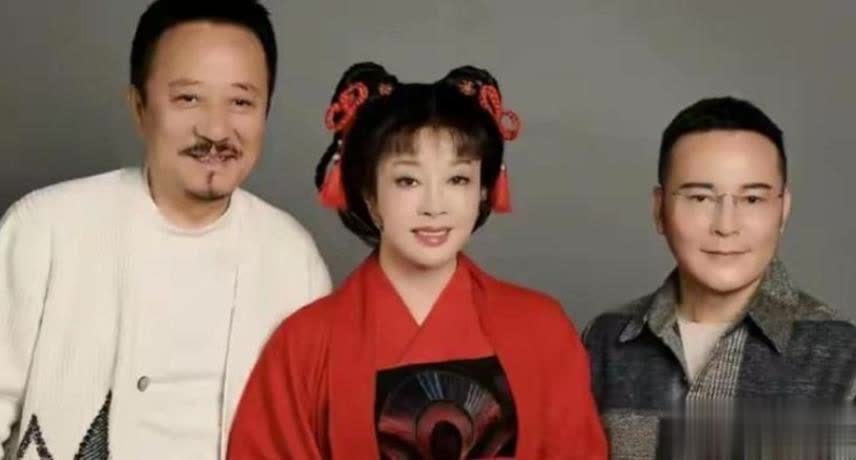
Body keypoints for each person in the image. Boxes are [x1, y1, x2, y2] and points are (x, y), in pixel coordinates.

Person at [0, 1, 330, 458]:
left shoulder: (294, 259)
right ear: (139, 107)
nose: (216, 129)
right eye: (188, 98)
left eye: (241, 102)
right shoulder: (44, 228)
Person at [228, 62, 607, 459]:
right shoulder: (304, 343)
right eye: (407, 180)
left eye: (457, 179)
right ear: (369, 194)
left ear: (483, 189)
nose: (434, 206)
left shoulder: (541, 327)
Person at [583, 96, 856, 458]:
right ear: (659, 209)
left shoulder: (844, 355)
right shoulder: (604, 341)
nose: (726, 226)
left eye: (752, 199)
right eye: (700, 198)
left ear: (783, 209)